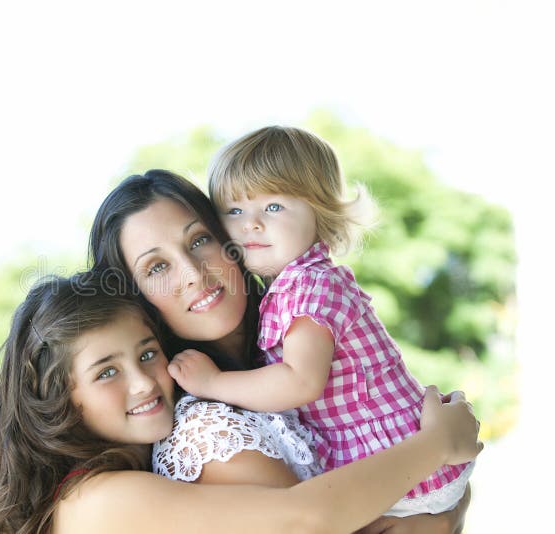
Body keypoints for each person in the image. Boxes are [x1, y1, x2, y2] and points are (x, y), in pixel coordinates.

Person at [88, 169, 478, 531]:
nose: (193, 273)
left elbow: (422, 478)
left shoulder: (297, 335)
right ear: (135, 299)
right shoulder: (205, 430)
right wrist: (437, 459)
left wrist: (450, 508)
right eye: (157, 267)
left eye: (199, 240)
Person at [0, 271, 482, 534]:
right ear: (58, 401)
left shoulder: (116, 484)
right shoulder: (97, 500)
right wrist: (435, 446)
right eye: (106, 372)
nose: (142, 383)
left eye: (148, 353)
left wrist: (443, 515)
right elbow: (304, 520)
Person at [163, 126, 472, 517]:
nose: (251, 224)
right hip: (406, 456)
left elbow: (300, 380)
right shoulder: (285, 289)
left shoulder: (310, 284)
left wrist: (213, 383)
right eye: (234, 211)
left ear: (319, 211)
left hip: (398, 457)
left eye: (273, 207)